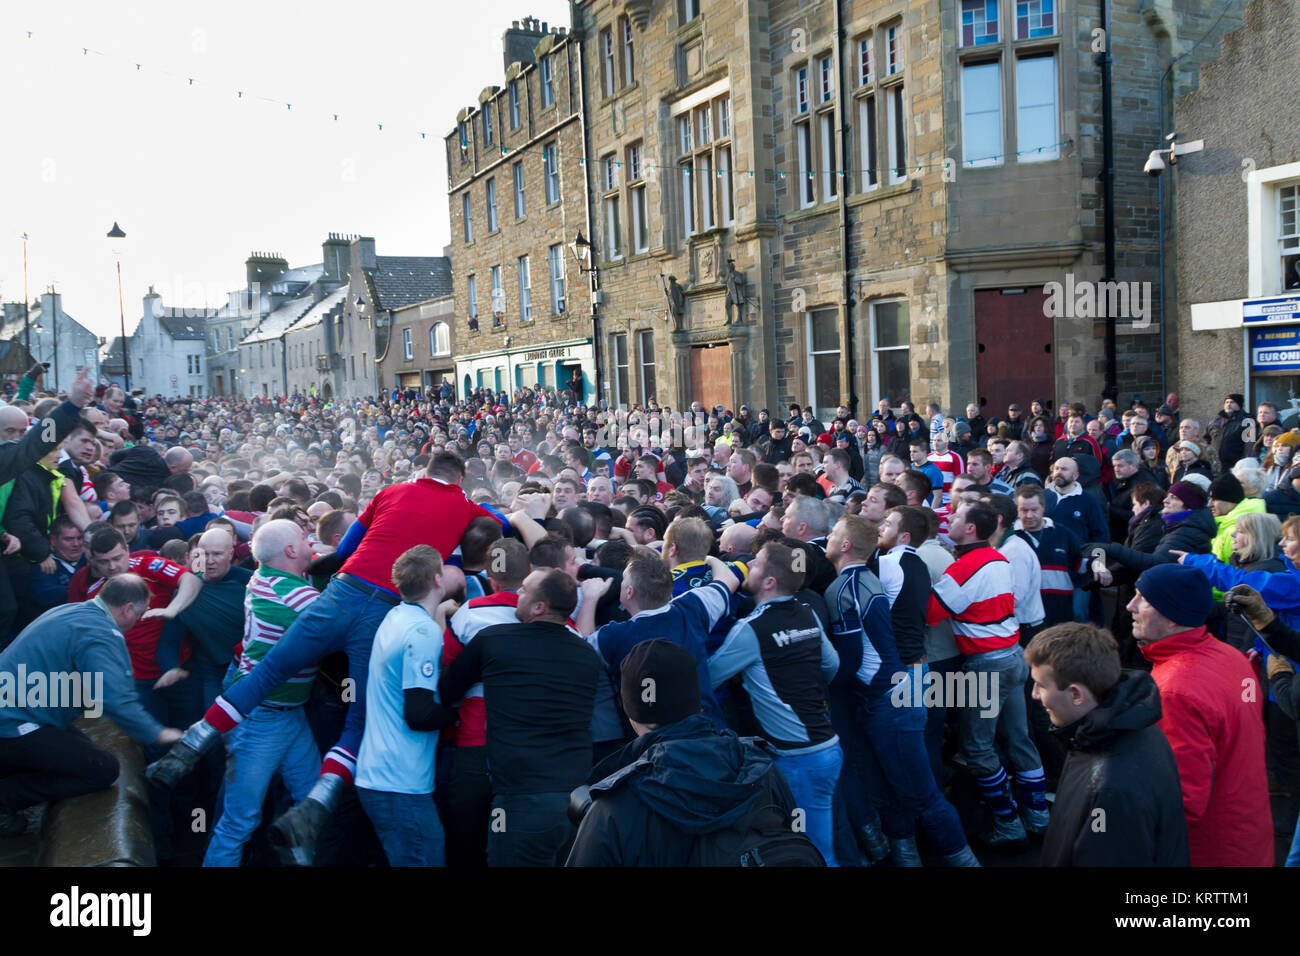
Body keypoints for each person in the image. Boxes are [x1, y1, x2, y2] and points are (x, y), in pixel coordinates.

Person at [148, 452, 505, 863]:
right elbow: (500, 529)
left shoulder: (390, 491)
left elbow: (348, 545)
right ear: (459, 478)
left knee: (267, 673)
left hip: (342, 592)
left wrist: (327, 567)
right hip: (383, 609)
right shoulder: (466, 506)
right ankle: (320, 801)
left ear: (424, 473)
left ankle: (187, 749)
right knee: (359, 718)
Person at [566, 639, 818, 866]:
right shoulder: (761, 766)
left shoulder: (613, 807)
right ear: (697, 702)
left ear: (631, 713)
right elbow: (798, 830)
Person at [824, 514, 980, 866]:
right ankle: (907, 858)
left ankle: (965, 861)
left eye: (833, 534)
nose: (828, 539)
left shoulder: (843, 588)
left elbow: (849, 662)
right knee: (890, 788)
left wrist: (816, 681)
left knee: (921, 794)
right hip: (897, 692)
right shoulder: (872, 576)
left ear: (846, 545)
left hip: (888, 699)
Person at [438, 569, 601, 867]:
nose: (517, 595)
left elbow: (446, 691)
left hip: (521, 799)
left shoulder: (494, 642)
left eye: (524, 590)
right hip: (577, 799)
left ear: (540, 608)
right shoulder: (587, 654)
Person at [0, 574, 183, 837]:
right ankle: (5, 799)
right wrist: (156, 733)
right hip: (13, 723)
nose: (139, 620)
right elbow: (115, 697)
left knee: (82, 749)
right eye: (140, 613)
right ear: (128, 608)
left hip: (23, 712)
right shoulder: (101, 632)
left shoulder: (72, 610)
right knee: (103, 769)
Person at [1127, 563, 1273, 866]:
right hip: (1248, 835)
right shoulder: (1231, 658)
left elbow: (1180, 803)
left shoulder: (1173, 692)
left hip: (1207, 851)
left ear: (1172, 617)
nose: (1131, 606)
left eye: (1144, 599)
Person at [707, 542, 842, 865]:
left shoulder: (751, 628)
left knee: (810, 850)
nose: (749, 565)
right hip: (827, 748)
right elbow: (832, 664)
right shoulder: (807, 613)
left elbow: (709, 676)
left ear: (769, 582)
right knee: (816, 842)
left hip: (798, 759)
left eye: (756, 563)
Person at [201, 520, 322, 867]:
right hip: (262, 721)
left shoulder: (264, 577)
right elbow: (344, 620)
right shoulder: (298, 597)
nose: (309, 539)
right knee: (240, 820)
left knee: (308, 801)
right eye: (303, 537)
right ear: (290, 551)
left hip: (286, 713)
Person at [929, 501, 1048, 848]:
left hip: (985, 666)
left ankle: (1009, 823)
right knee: (1018, 739)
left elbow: (930, 613)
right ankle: (1038, 816)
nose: (948, 520)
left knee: (977, 748)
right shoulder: (998, 557)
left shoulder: (963, 568)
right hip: (1013, 657)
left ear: (970, 530)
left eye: (955, 518)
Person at [1025, 622, 1189, 866]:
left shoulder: (1111, 789)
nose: (1034, 694)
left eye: (1041, 685)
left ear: (1076, 694)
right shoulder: (1127, 729)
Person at [356, 545, 456, 867]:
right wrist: (464, 712)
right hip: (400, 782)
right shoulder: (421, 630)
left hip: (379, 775)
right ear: (438, 579)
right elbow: (419, 714)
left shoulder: (396, 616)